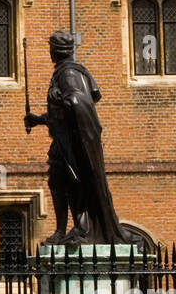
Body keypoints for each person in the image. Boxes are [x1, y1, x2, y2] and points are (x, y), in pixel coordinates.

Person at [25, 30, 141, 247]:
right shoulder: (64, 72)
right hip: (63, 140)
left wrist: (62, 99)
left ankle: (77, 229)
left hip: (72, 143)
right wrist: (39, 119)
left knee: (68, 183)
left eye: (51, 48)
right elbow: (63, 114)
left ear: (56, 51)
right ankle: (63, 230)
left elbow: (79, 103)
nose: (50, 52)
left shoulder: (68, 74)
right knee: (60, 182)